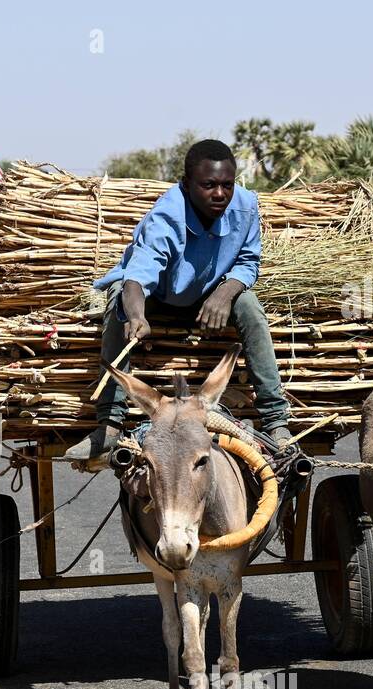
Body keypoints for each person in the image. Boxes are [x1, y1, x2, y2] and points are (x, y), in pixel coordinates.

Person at [64, 139, 292, 466]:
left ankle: (276, 422)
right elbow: (137, 277)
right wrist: (137, 315)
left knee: (251, 307)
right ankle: (110, 425)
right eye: (208, 185)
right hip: (160, 294)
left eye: (226, 185)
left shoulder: (246, 206)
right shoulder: (166, 217)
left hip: (210, 294)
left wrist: (223, 293)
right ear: (187, 184)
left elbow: (248, 260)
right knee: (118, 300)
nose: (219, 194)